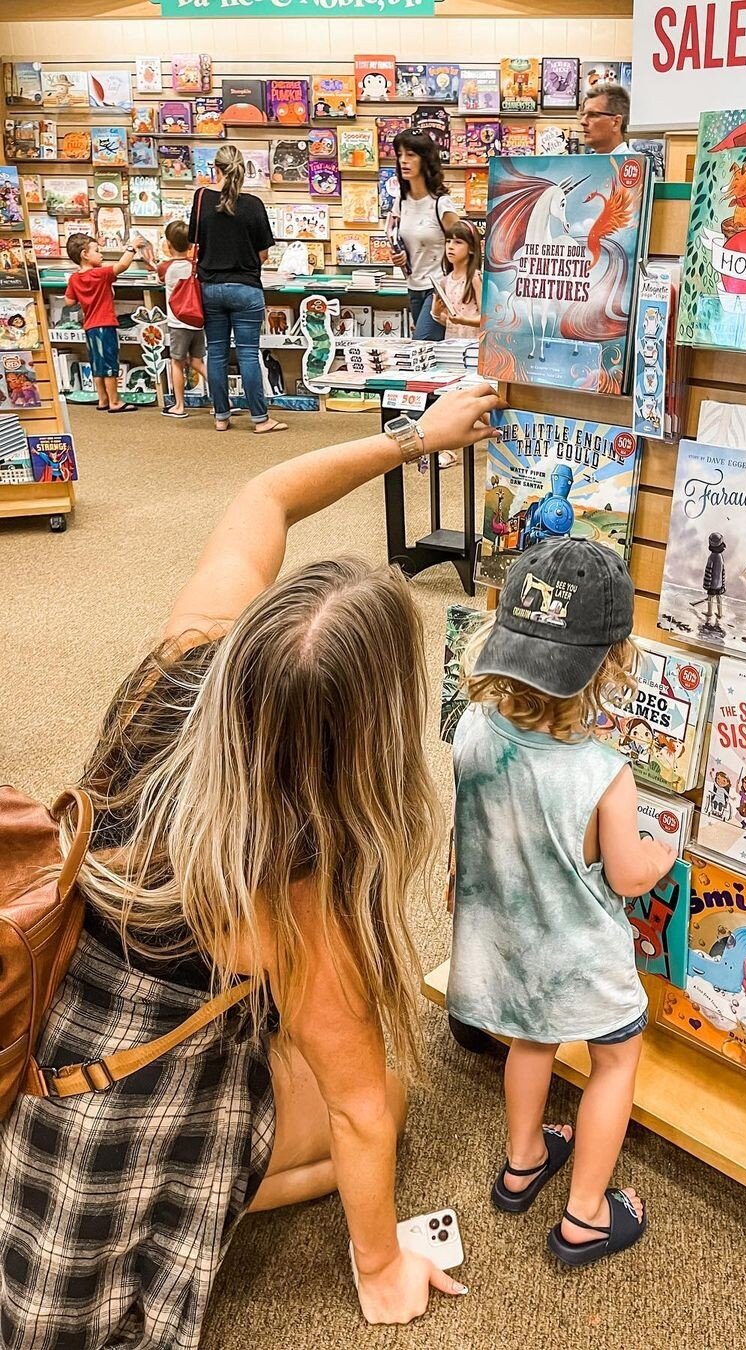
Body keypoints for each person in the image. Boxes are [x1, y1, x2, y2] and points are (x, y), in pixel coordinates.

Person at [0, 385, 504, 1345]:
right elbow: (360, 1112)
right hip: (110, 1134)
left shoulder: (176, 661)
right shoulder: (294, 881)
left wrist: (415, 438)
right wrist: (384, 1265)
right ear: (366, 742)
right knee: (386, 1098)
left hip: (40, 1031)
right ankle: (177, 1207)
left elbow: (265, 499)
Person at [447, 538, 674, 1268]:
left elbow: (468, 826)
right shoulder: (605, 772)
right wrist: (665, 851)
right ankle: (584, 1216)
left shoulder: (473, 729)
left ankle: (522, 1164)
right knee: (614, 1061)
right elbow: (631, 875)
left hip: (507, 944)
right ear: (610, 663)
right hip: (580, 955)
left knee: (529, 1041)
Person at [188, 144, 284, 435]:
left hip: (210, 287)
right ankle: (260, 419)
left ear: (214, 169)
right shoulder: (253, 205)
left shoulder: (202, 197)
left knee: (215, 353)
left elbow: (195, 243)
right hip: (246, 288)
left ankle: (220, 416)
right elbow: (263, 255)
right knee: (248, 353)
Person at [388, 131, 460, 341]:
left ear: (425, 159)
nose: (403, 161)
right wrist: (398, 257)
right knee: (429, 355)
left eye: (411, 154)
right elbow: (398, 239)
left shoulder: (440, 203)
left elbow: (466, 244)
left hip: (438, 288)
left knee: (421, 345)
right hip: (413, 288)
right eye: (400, 154)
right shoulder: (401, 201)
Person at [63, 232, 140, 414]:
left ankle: (102, 399)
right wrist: (132, 247)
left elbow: (69, 302)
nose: (101, 254)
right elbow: (122, 265)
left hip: (89, 327)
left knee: (97, 364)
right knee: (110, 364)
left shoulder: (74, 278)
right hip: (105, 325)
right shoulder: (100, 274)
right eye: (97, 251)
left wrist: (84, 296)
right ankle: (114, 401)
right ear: (85, 255)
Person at [430, 220, 484, 468]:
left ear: (471, 249)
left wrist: (462, 319)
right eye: (448, 241)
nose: (451, 247)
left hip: (472, 349)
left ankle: (493, 432)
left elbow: (486, 319)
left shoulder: (475, 279)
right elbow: (440, 318)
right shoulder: (444, 280)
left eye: (458, 242)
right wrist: (436, 311)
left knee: (472, 397)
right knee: (453, 395)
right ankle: (449, 448)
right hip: (451, 347)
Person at [157, 219, 207, 420]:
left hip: (177, 323)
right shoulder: (196, 266)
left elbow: (160, 277)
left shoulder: (165, 268)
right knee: (198, 361)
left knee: (176, 363)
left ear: (168, 245)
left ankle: (179, 405)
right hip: (197, 320)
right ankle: (224, 399)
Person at [580, 81, 632, 156]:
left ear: (616, 122)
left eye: (593, 115)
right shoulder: (582, 165)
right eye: (583, 115)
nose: (583, 121)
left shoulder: (635, 165)